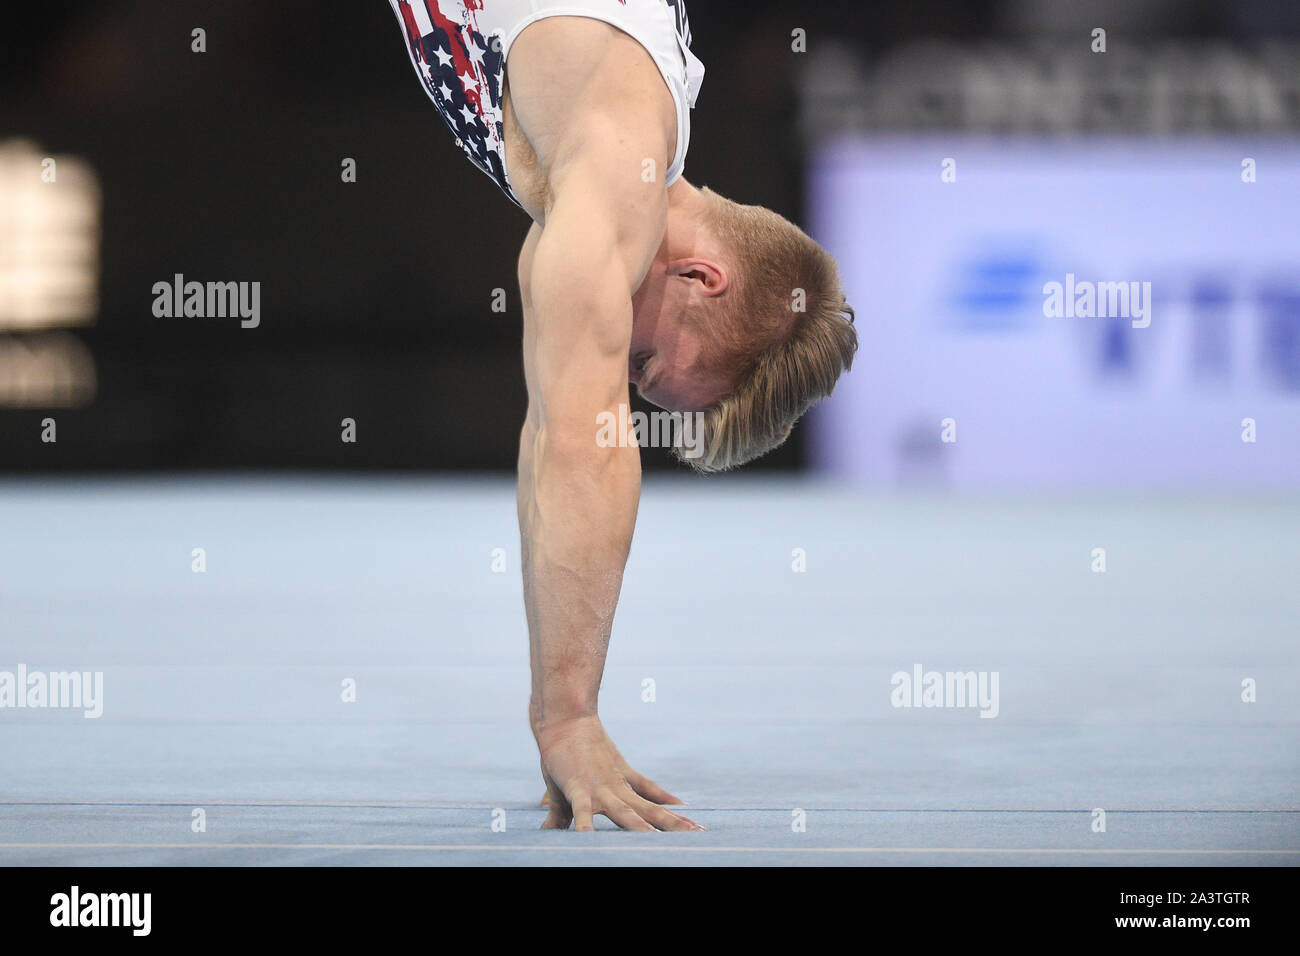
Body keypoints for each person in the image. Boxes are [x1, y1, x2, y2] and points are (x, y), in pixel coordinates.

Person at [386, 0, 857, 831]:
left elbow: (545, 444)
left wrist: (551, 713)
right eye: (645, 367)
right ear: (702, 278)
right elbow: (583, 448)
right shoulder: (616, 166)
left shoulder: (601, 167)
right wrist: (573, 719)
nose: (622, 379)